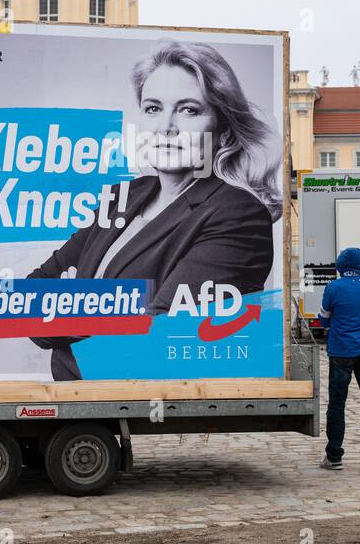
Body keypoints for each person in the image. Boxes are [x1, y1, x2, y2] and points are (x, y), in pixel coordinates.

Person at [27, 41, 281, 381]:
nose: (166, 127)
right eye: (153, 108)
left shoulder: (238, 215)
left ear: (223, 132)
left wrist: (74, 299)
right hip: (75, 400)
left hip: (145, 407)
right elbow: (27, 300)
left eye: (189, 110)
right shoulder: (123, 196)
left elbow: (160, 336)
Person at [318, 246, 360, 470]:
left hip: (340, 351)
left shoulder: (333, 288)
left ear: (341, 265)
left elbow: (323, 318)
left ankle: (334, 455)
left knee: (337, 404)